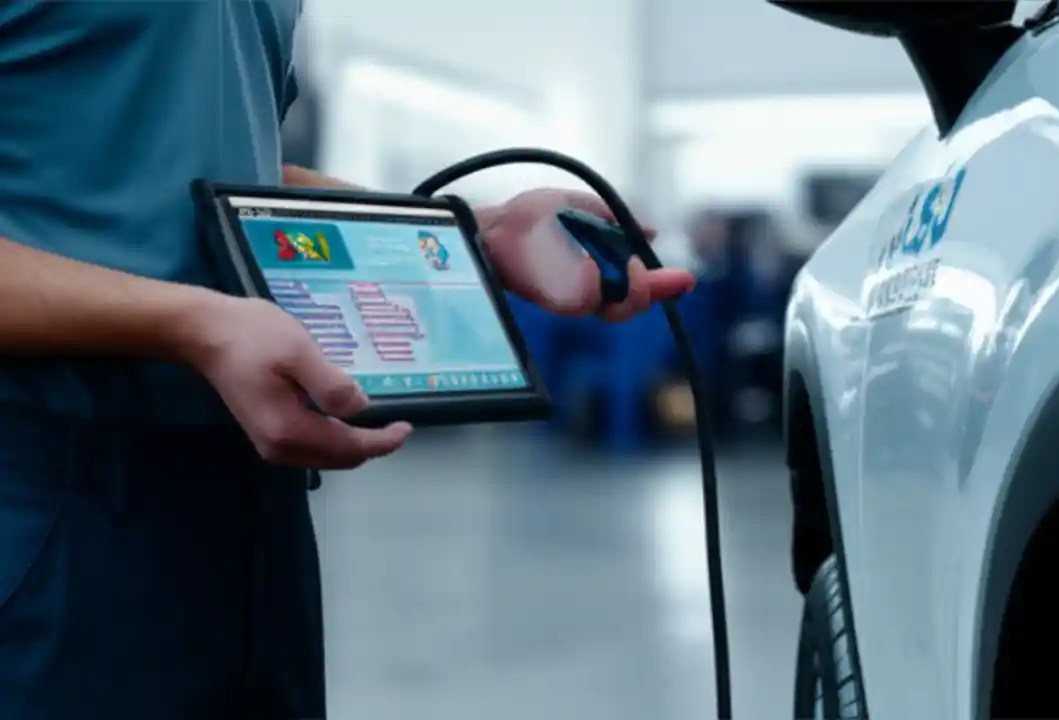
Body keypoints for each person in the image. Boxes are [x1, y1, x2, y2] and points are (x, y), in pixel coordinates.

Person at [0, 2, 694, 718]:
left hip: (249, 502)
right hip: (46, 490)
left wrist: (465, 237)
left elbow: (227, 171)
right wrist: (189, 322)